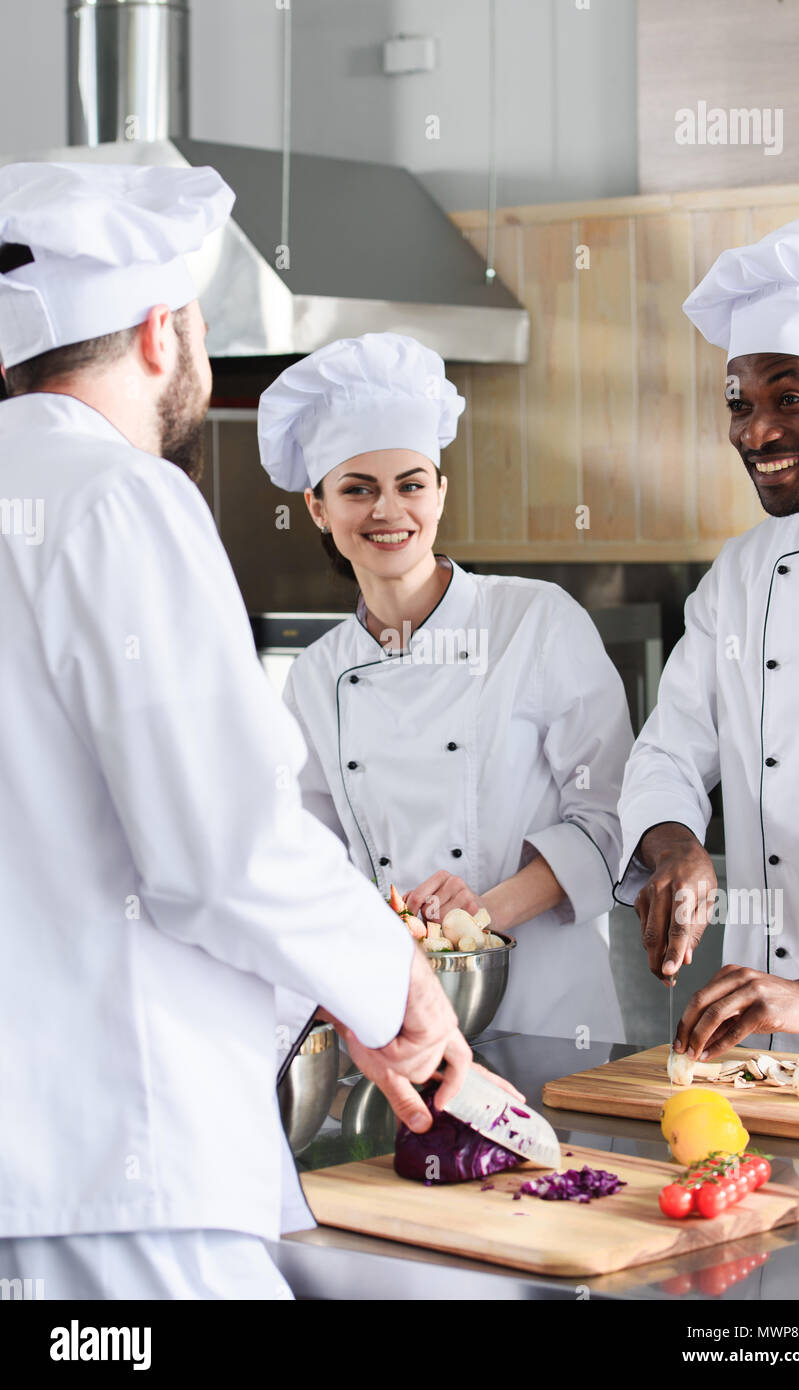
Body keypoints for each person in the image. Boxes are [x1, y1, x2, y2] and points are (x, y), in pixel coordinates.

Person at [0, 162, 485, 1301]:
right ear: (164, 333)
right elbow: (219, 853)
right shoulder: (120, 497)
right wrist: (393, 981)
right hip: (120, 1176)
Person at [257, 333, 634, 1041]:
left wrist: (477, 915)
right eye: (356, 489)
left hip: (546, 1013)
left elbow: (610, 820)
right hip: (394, 1016)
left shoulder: (535, 621)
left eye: (410, 484)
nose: (387, 511)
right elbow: (311, 863)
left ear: (440, 491)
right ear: (316, 507)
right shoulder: (316, 676)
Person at [617, 213, 799, 1062]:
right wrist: (677, 849)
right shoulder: (740, 572)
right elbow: (668, 750)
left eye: (788, 398)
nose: (754, 433)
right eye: (739, 403)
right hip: (761, 1027)